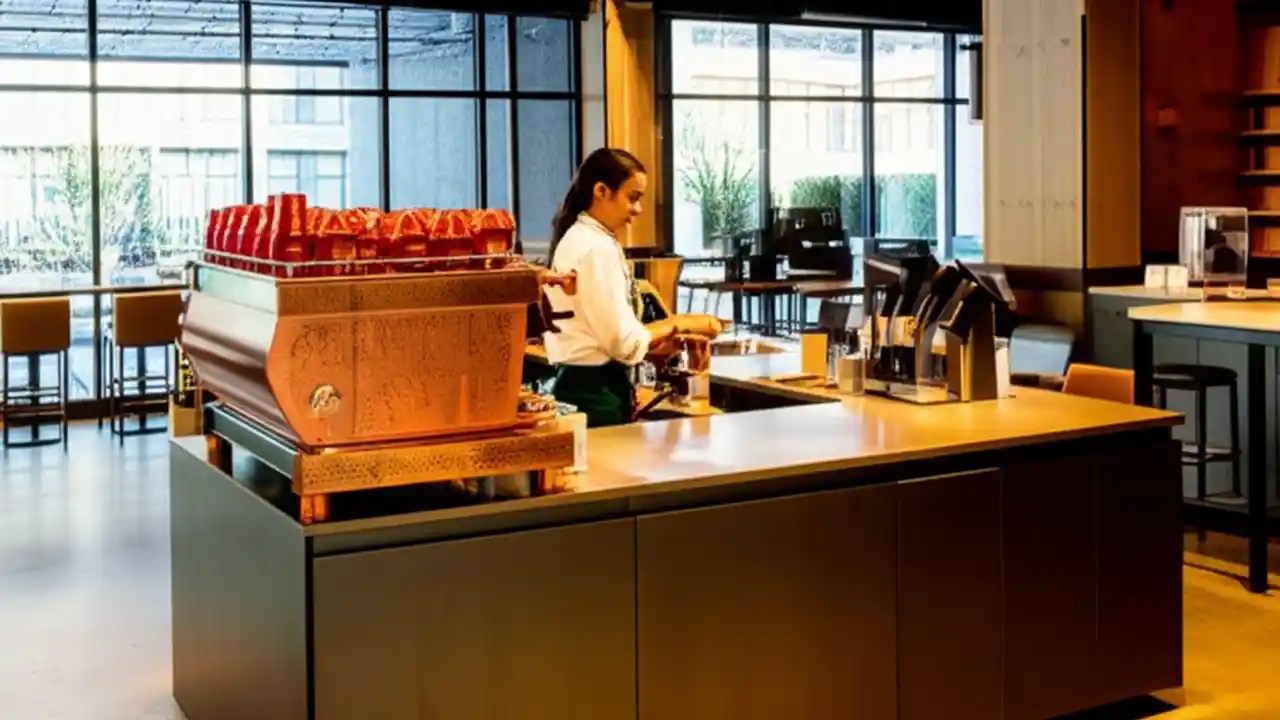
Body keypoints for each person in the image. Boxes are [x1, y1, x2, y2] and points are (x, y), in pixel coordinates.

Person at [541, 148, 678, 427]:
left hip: (581, 386)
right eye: (633, 197)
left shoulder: (582, 238)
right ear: (601, 191)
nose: (638, 209)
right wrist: (677, 325)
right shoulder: (595, 248)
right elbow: (620, 342)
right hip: (595, 395)